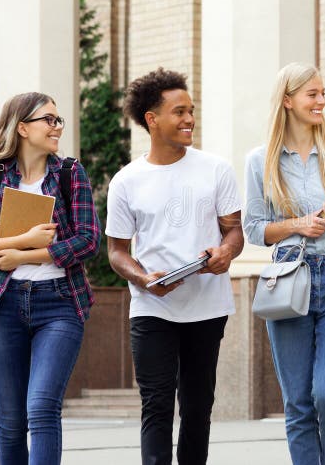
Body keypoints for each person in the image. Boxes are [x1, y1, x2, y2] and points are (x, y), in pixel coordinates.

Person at [106, 68, 243, 465]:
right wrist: (143, 279)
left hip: (207, 306)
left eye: (191, 111)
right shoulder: (127, 181)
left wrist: (226, 253)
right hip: (152, 307)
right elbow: (116, 252)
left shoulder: (216, 168)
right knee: (157, 404)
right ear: (152, 119)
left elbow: (234, 232)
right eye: (179, 112)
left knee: (198, 407)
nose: (189, 120)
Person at [243, 62, 325, 465]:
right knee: (298, 401)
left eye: (323, 93)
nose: (322, 101)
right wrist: (297, 224)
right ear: (288, 100)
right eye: (312, 94)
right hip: (288, 279)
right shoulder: (259, 160)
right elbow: (253, 229)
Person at [0, 92, 101, 464]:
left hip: (59, 303)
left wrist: (27, 255)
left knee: (41, 408)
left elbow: (88, 240)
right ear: (23, 127)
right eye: (48, 120)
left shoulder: (70, 173)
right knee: (10, 419)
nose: (56, 127)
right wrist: (21, 240)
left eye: (58, 120)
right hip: (2, 306)